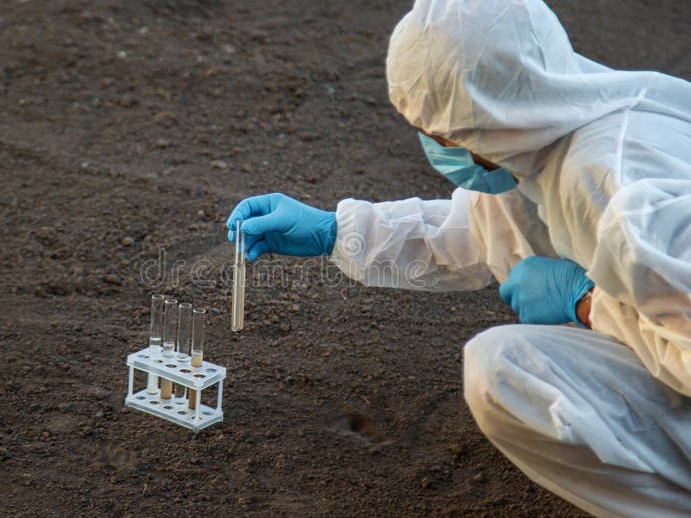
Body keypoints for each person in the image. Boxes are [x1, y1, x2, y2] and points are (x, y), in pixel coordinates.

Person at [226, 0, 691, 515]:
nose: (436, 148)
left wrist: (588, 304)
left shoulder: (611, 183)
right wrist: (336, 231)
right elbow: (483, 228)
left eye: (439, 136)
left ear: (484, 125)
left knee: (505, 369)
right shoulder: (548, 123)